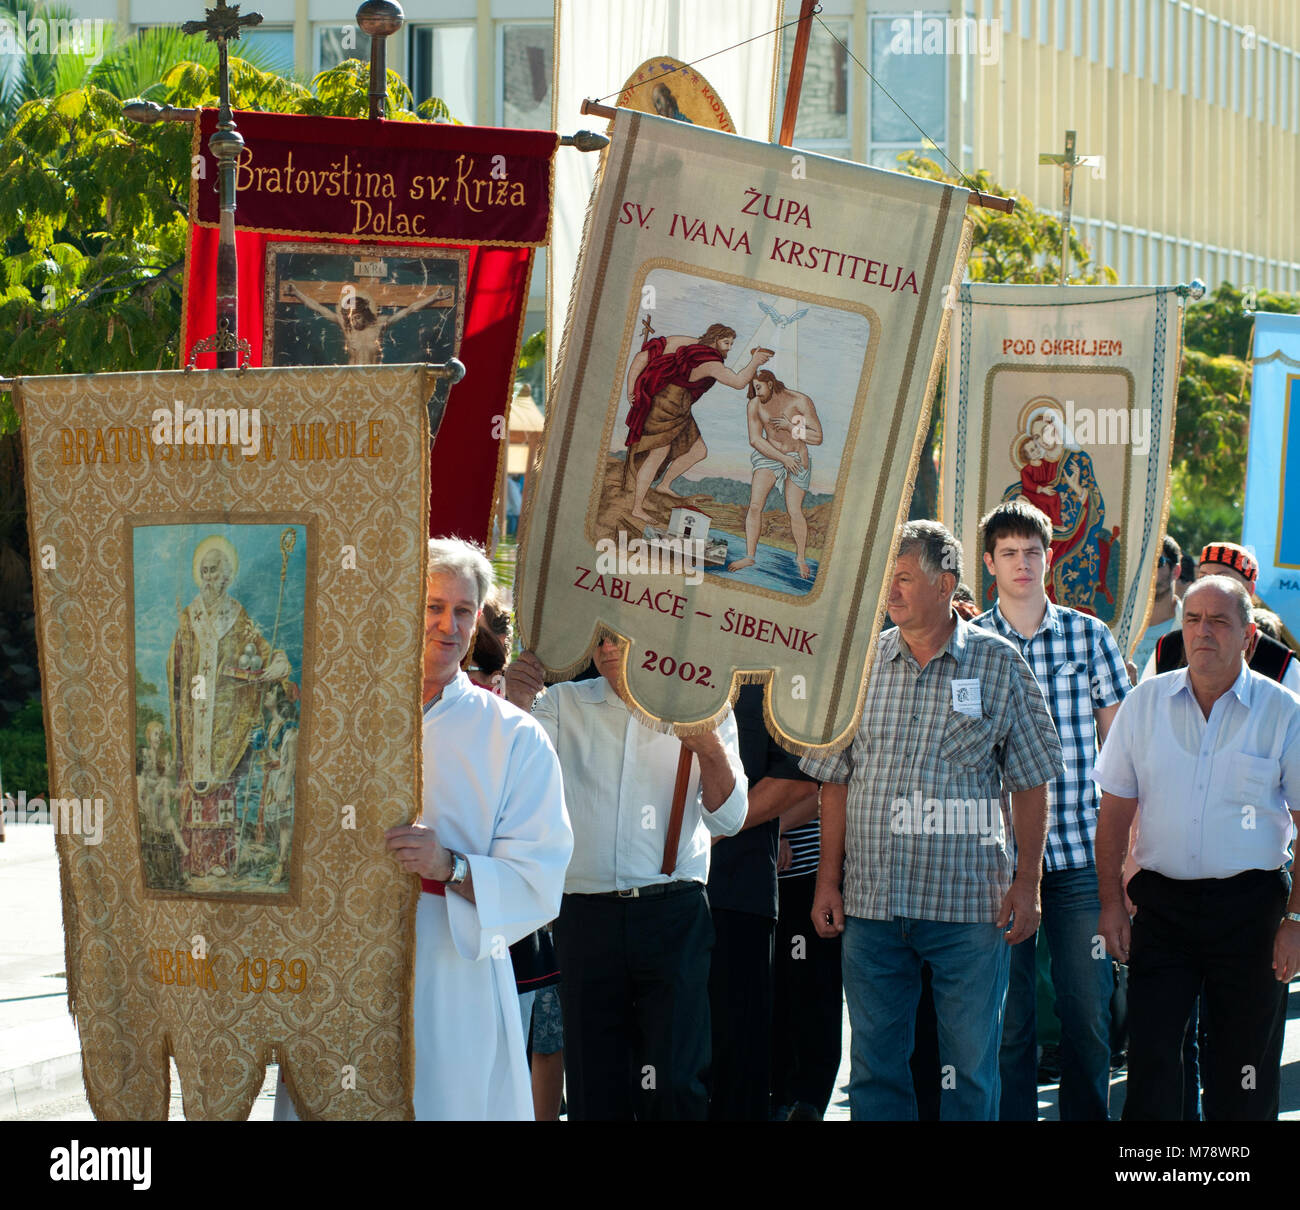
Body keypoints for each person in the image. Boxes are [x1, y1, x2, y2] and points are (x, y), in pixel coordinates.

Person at [275, 538, 571, 1121]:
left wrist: (451, 866)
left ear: (478, 620)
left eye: (463, 611)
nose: (447, 625)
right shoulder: (340, 718)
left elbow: (540, 876)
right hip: (343, 965)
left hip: (450, 969)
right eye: (432, 606)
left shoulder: (513, 737)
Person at [799, 520, 1063, 1120]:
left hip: (969, 908)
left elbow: (1030, 781)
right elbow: (834, 779)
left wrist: (1028, 884)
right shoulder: (860, 662)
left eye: (903, 579)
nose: (889, 592)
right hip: (872, 906)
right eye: (886, 579)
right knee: (874, 1071)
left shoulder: (1000, 666)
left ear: (946, 584)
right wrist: (827, 881)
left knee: (969, 1073)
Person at [505, 636, 748, 1119]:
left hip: (673, 915)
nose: (610, 646)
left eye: (624, 633)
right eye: (601, 634)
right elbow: (512, 788)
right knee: (595, 1086)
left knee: (677, 1084)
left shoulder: (706, 704)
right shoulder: (560, 703)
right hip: (585, 918)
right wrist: (514, 704)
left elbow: (731, 818)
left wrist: (705, 741)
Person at [1094, 575, 1300, 1120]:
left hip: (1252, 909)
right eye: (1192, 619)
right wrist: (1112, 904)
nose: (1202, 632)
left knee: (1243, 1068)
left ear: (1248, 638)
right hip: (1162, 909)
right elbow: (1113, 815)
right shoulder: (1144, 705)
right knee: (1155, 1058)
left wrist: (1297, 921)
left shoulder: (1284, 712)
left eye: (1218, 621)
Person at [970, 500, 1129, 1120]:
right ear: (989, 563)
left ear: (1050, 556)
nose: (1022, 564)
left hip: (1081, 857)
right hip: (996, 862)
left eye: (1032, 551)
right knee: (1008, 1022)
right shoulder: (972, 645)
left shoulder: (1090, 637)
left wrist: (1127, 852)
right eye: (1008, 553)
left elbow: (1122, 749)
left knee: (1086, 1011)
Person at [706, 683, 818, 1120]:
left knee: (739, 1061)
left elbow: (798, 779)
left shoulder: (772, 665)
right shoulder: (645, 650)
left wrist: (712, 832)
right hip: (646, 896)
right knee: (661, 1066)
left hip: (738, 895)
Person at [168, 537, 289, 880]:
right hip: (196, 719)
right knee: (196, 790)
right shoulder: (189, 616)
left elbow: (261, 649)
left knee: (223, 791)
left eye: (214, 572)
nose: (207, 578)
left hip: (224, 718)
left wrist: (276, 661)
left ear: (226, 576)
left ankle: (220, 860)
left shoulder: (237, 617)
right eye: (203, 571)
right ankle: (194, 862)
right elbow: (177, 659)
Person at [623, 324, 771, 522]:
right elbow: (737, 382)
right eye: (726, 342)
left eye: (731, 344)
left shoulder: (691, 345)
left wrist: (631, 388)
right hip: (666, 405)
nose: (729, 348)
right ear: (714, 339)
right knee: (658, 452)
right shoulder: (710, 361)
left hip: (681, 407)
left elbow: (641, 357)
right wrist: (754, 362)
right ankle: (637, 508)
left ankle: (664, 485)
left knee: (698, 451)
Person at [770, 794, 845, 1121]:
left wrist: (771, 826)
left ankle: (808, 1102)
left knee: (813, 998)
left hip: (810, 882)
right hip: (752, 883)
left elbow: (822, 793)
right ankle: (777, 1098)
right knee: (771, 999)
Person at [1140, 541, 1300, 694]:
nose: (1210, 585)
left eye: (1222, 578)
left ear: (1249, 589)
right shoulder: (1167, 648)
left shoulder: (1281, 662)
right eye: (1203, 577)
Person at [727, 370, 824, 580]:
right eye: (753, 388)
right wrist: (782, 459)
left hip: (798, 456)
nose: (755, 392)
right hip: (771, 455)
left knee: (794, 509)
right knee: (755, 505)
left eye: (758, 387)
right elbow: (755, 440)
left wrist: (791, 428)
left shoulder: (800, 401)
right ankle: (750, 556)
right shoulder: (754, 405)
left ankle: (800, 558)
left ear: (770, 384)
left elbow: (817, 438)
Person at [286, 283, 451, 365]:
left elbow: (409, 309)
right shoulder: (347, 327)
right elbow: (318, 308)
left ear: (365, 314)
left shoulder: (380, 324)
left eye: (357, 317)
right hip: (352, 376)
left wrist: (434, 297)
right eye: (351, 318)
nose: (354, 321)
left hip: (374, 375)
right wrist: (296, 293)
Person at [1130, 535, 1183, 673]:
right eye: (1143, 562)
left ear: (1175, 571)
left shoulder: (1189, 627)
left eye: (1158, 562)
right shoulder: (1121, 624)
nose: (1148, 570)